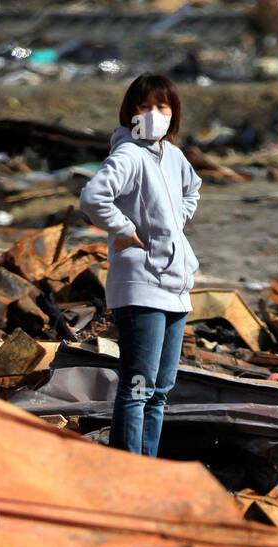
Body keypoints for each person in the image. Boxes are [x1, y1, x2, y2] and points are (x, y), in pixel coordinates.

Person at [79, 73, 201, 457]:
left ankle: (148, 470)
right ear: (131, 112)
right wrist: (126, 229)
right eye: (145, 106)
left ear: (173, 112)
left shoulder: (174, 156)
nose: (154, 114)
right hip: (141, 284)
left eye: (162, 107)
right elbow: (93, 197)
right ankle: (129, 470)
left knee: (160, 392)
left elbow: (193, 190)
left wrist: (173, 222)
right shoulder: (129, 154)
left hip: (175, 288)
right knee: (137, 388)